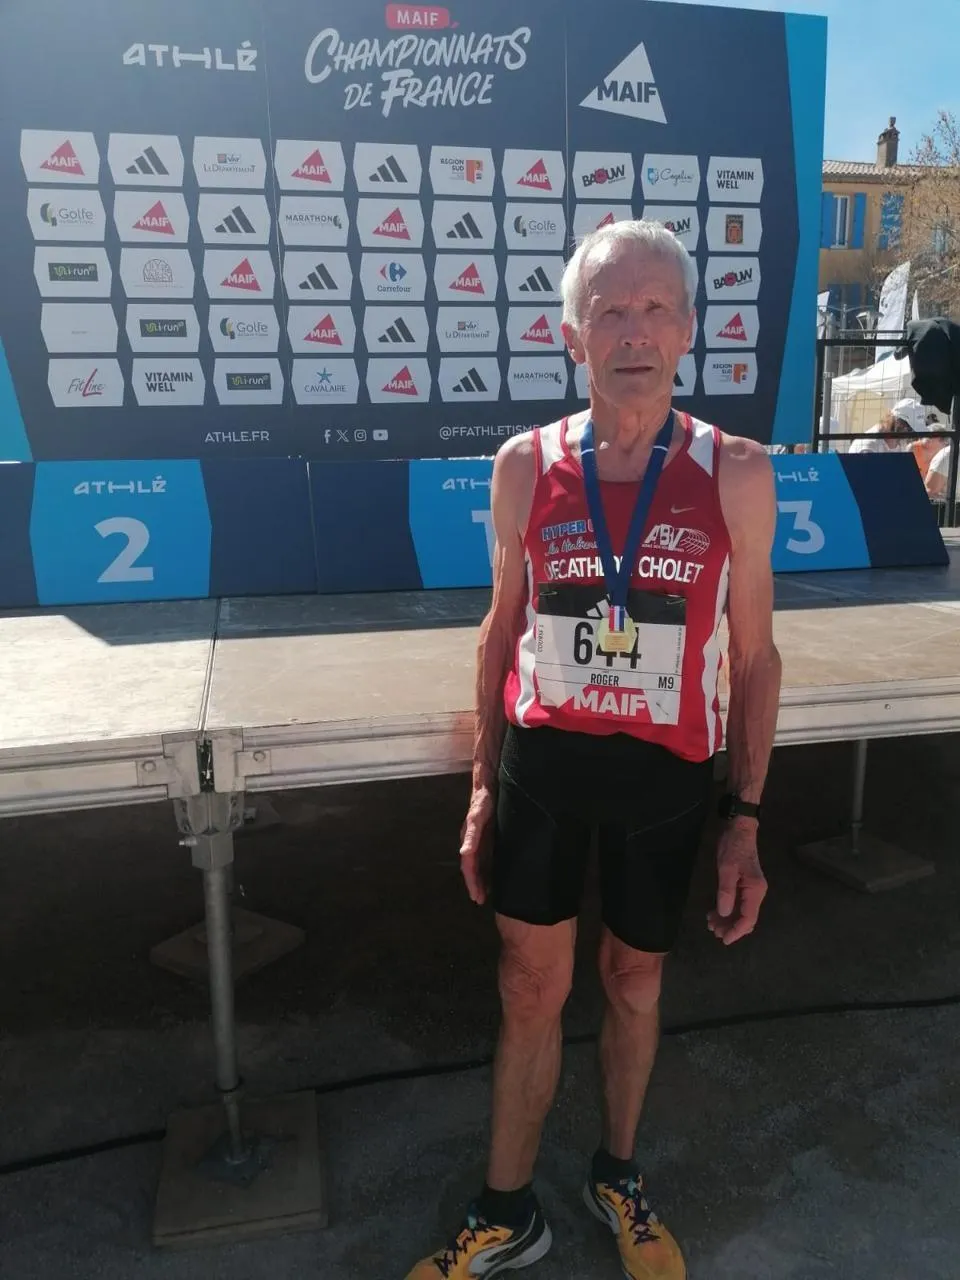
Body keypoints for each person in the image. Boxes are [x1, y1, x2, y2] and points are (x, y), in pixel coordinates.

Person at [404, 221, 782, 1280]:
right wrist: (482, 783)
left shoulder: (738, 472)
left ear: (689, 331)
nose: (635, 329)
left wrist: (744, 820)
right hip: (545, 764)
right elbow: (498, 628)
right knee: (530, 985)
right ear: (572, 335)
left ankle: (617, 1170)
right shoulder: (526, 464)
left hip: (665, 779)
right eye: (610, 310)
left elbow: (755, 658)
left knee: (633, 976)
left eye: (657, 306)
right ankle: (506, 1207)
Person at [848, 398, 924, 454]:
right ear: (898, 421)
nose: (911, 434)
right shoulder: (869, 444)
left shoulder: (900, 443)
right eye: (910, 429)